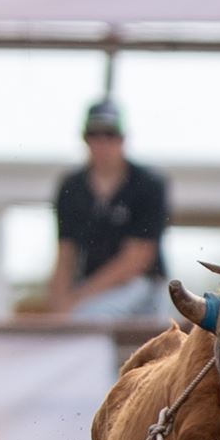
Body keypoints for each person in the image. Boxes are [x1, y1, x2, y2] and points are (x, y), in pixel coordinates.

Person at [48, 99, 170, 320]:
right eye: (95, 135)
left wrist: (78, 298)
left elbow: (137, 258)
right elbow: (65, 254)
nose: (103, 143)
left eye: (111, 135)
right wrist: (58, 310)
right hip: (91, 289)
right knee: (77, 319)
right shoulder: (72, 188)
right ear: (85, 139)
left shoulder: (148, 184)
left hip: (142, 289)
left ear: (123, 139)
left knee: (91, 316)